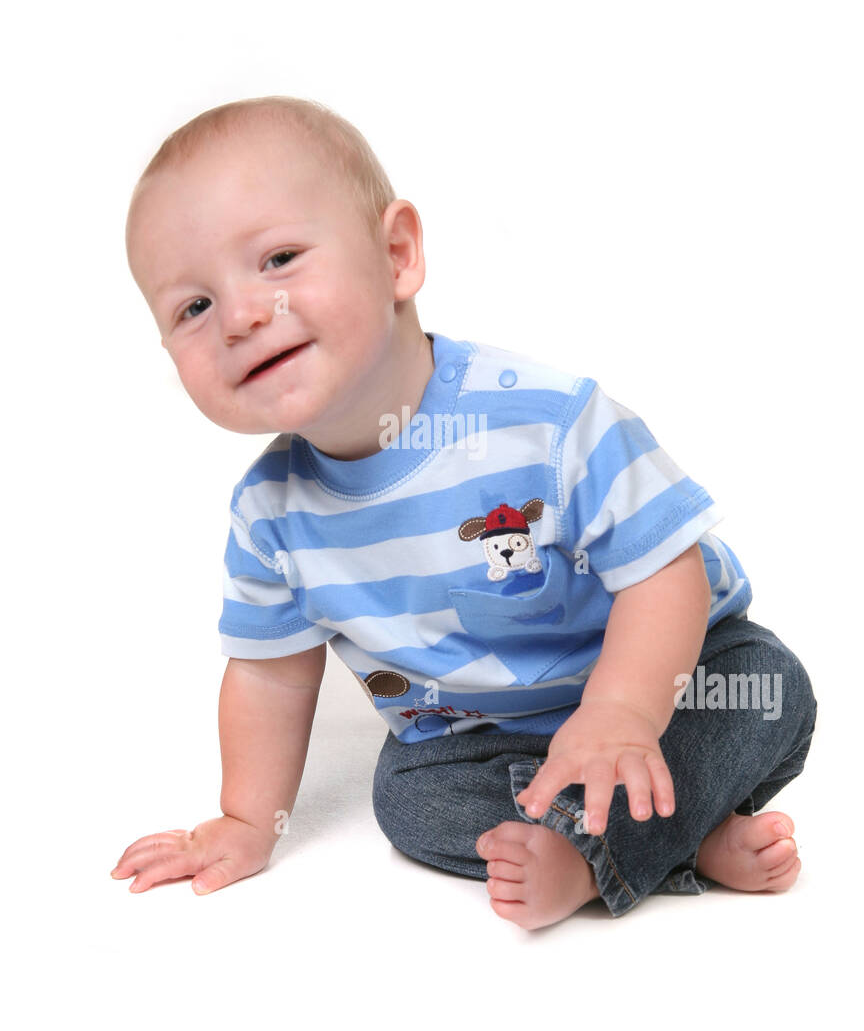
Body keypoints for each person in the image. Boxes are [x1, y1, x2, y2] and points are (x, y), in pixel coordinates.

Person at [111, 96, 817, 929]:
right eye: (193, 307)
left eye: (280, 259)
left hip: (671, 678)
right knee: (406, 798)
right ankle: (674, 841)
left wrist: (621, 713)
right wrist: (244, 820)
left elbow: (667, 571)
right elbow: (269, 675)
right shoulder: (270, 516)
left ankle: (614, 846)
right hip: (485, 733)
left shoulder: (545, 424)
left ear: (397, 255)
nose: (241, 316)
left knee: (766, 690)